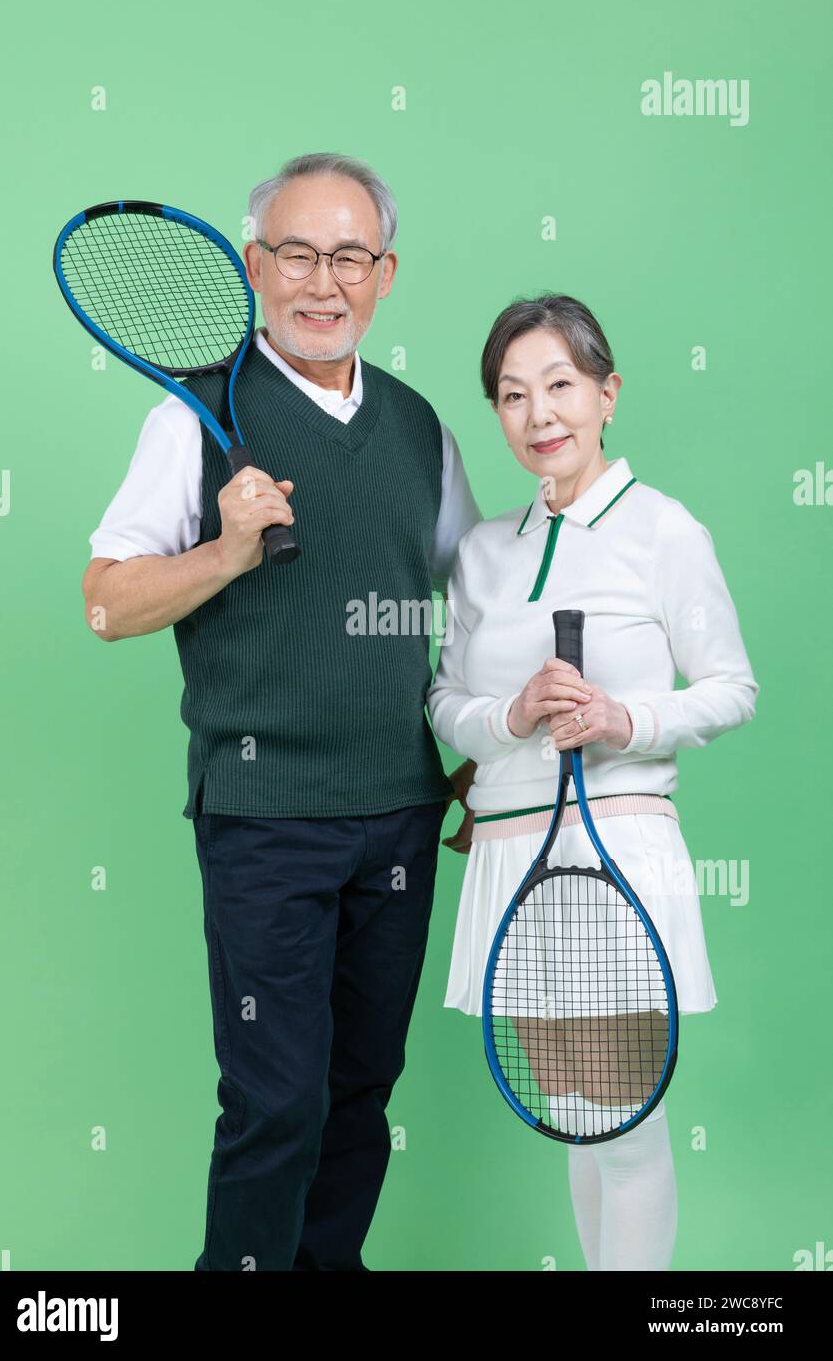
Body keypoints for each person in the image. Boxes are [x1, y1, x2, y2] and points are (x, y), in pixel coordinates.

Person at [80, 152, 481, 1270]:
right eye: (295, 253)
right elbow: (106, 604)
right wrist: (226, 548)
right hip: (264, 818)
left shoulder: (417, 428)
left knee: (358, 1098)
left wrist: (482, 747)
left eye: (347, 255)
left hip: (399, 815)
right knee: (276, 1104)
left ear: (384, 273)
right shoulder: (190, 420)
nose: (322, 281)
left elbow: (473, 597)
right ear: (253, 266)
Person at [427, 293, 759, 1271]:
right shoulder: (481, 554)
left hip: (613, 854)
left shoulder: (662, 529)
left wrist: (624, 717)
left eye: (560, 386)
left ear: (605, 393)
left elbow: (731, 687)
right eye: (511, 395)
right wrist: (512, 716)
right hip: (506, 858)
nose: (538, 415)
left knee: (622, 1129)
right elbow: (445, 704)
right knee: (575, 1119)